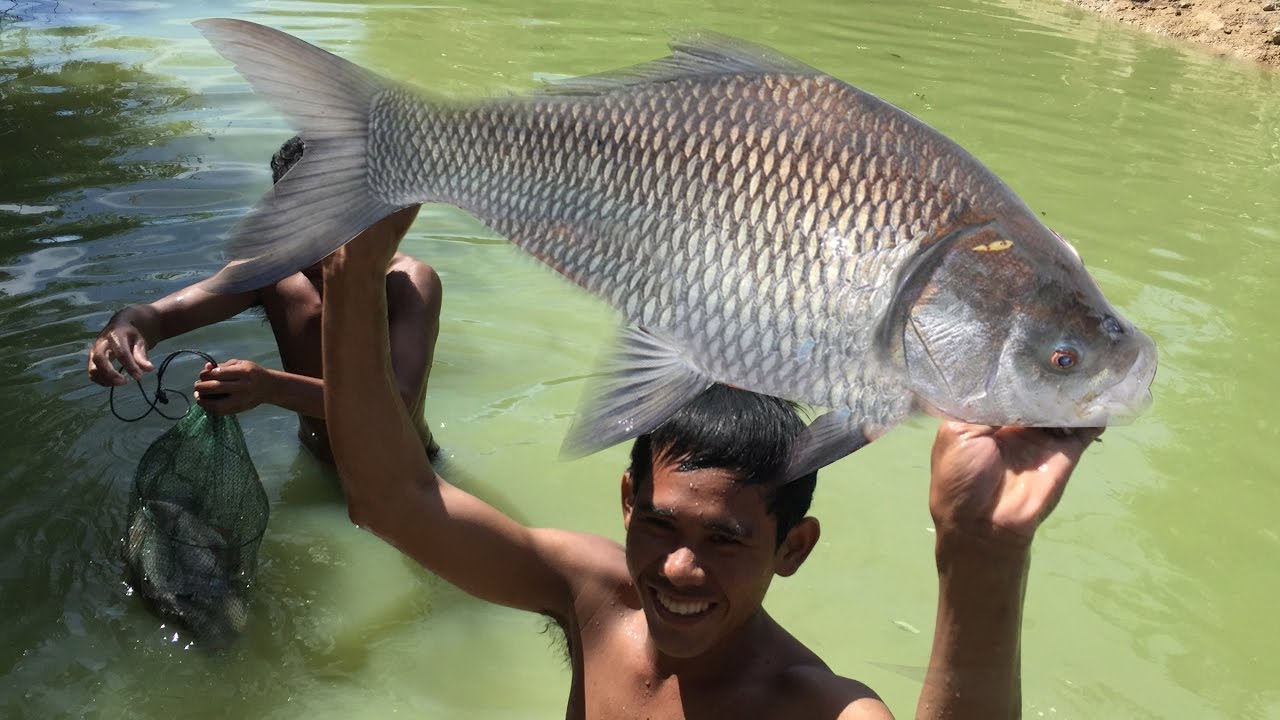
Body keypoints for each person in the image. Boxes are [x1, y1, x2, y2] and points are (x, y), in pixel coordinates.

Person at [320, 215, 1103, 718]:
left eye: (726, 541)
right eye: (661, 524)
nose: (681, 569)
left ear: (793, 548)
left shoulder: (819, 709)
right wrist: (352, 277)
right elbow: (394, 499)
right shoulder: (595, 601)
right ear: (627, 500)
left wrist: (982, 552)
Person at [86, 136, 441, 462]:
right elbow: (161, 317)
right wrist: (126, 324)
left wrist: (271, 388)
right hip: (318, 461)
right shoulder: (273, 273)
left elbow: (398, 405)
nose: (320, 253)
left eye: (338, 231)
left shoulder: (408, 282)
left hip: (407, 471)